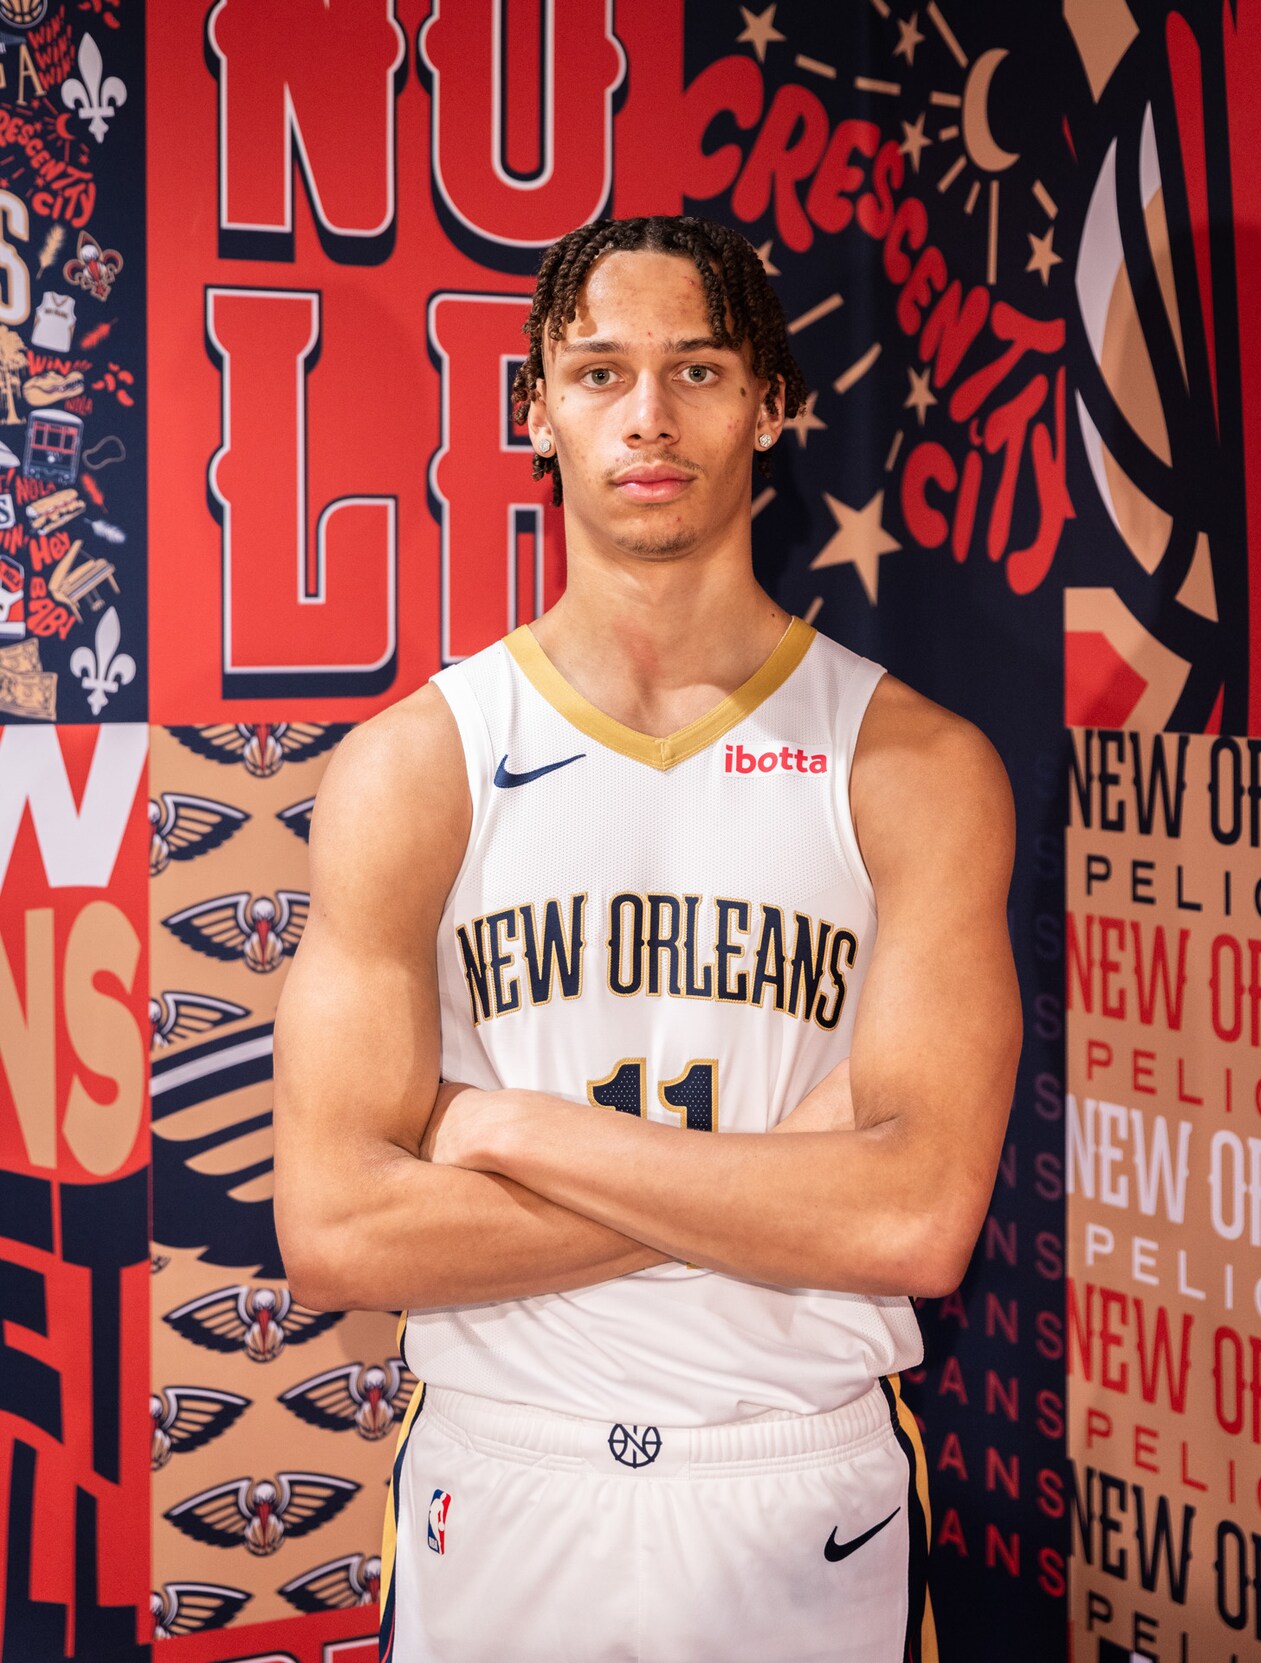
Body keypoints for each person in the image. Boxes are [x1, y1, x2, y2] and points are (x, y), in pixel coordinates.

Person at [272, 214, 1022, 1663]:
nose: (650, 416)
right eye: (600, 371)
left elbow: (916, 1225)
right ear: (533, 412)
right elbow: (337, 1233)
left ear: (773, 406)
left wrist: (496, 1124)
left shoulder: (914, 767)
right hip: (505, 1477)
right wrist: (787, 1184)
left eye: (700, 368)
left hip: (792, 1480)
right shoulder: (417, 766)